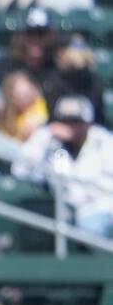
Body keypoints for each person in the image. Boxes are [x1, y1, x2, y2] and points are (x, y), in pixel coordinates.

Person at [12, 94, 113, 237]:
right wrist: (44, 134)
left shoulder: (104, 141)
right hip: (71, 212)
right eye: (65, 121)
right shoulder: (51, 143)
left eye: (75, 121)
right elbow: (19, 170)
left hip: (103, 207)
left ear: (88, 123)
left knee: (90, 224)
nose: (70, 126)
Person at [0, 71, 48, 163]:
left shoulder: (38, 107)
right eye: (20, 94)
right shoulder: (7, 114)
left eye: (28, 92)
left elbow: (38, 124)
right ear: (12, 97)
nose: (27, 97)